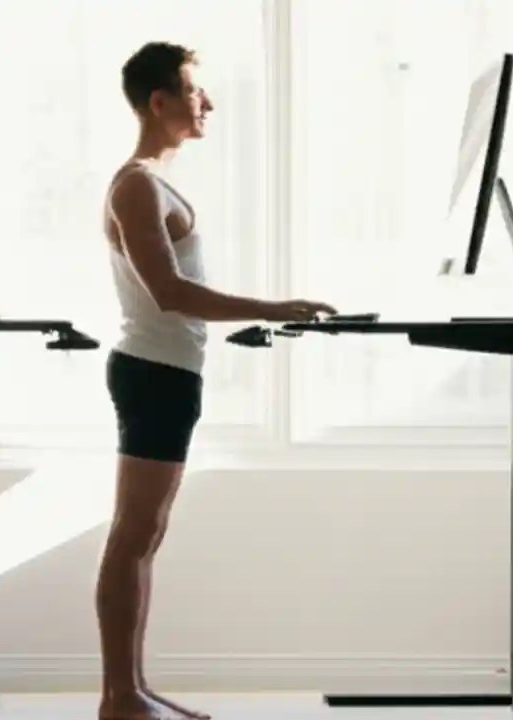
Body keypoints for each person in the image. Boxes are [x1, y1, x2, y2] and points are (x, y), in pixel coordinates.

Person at [95, 41, 337, 720]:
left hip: (170, 372)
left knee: (145, 534)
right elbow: (169, 291)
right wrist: (274, 307)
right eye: (196, 91)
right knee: (133, 533)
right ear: (159, 100)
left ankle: (133, 692)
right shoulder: (136, 184)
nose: (209, 103)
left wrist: (267, 318)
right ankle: (119, 697)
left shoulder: (156, 183)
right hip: (151, 373)